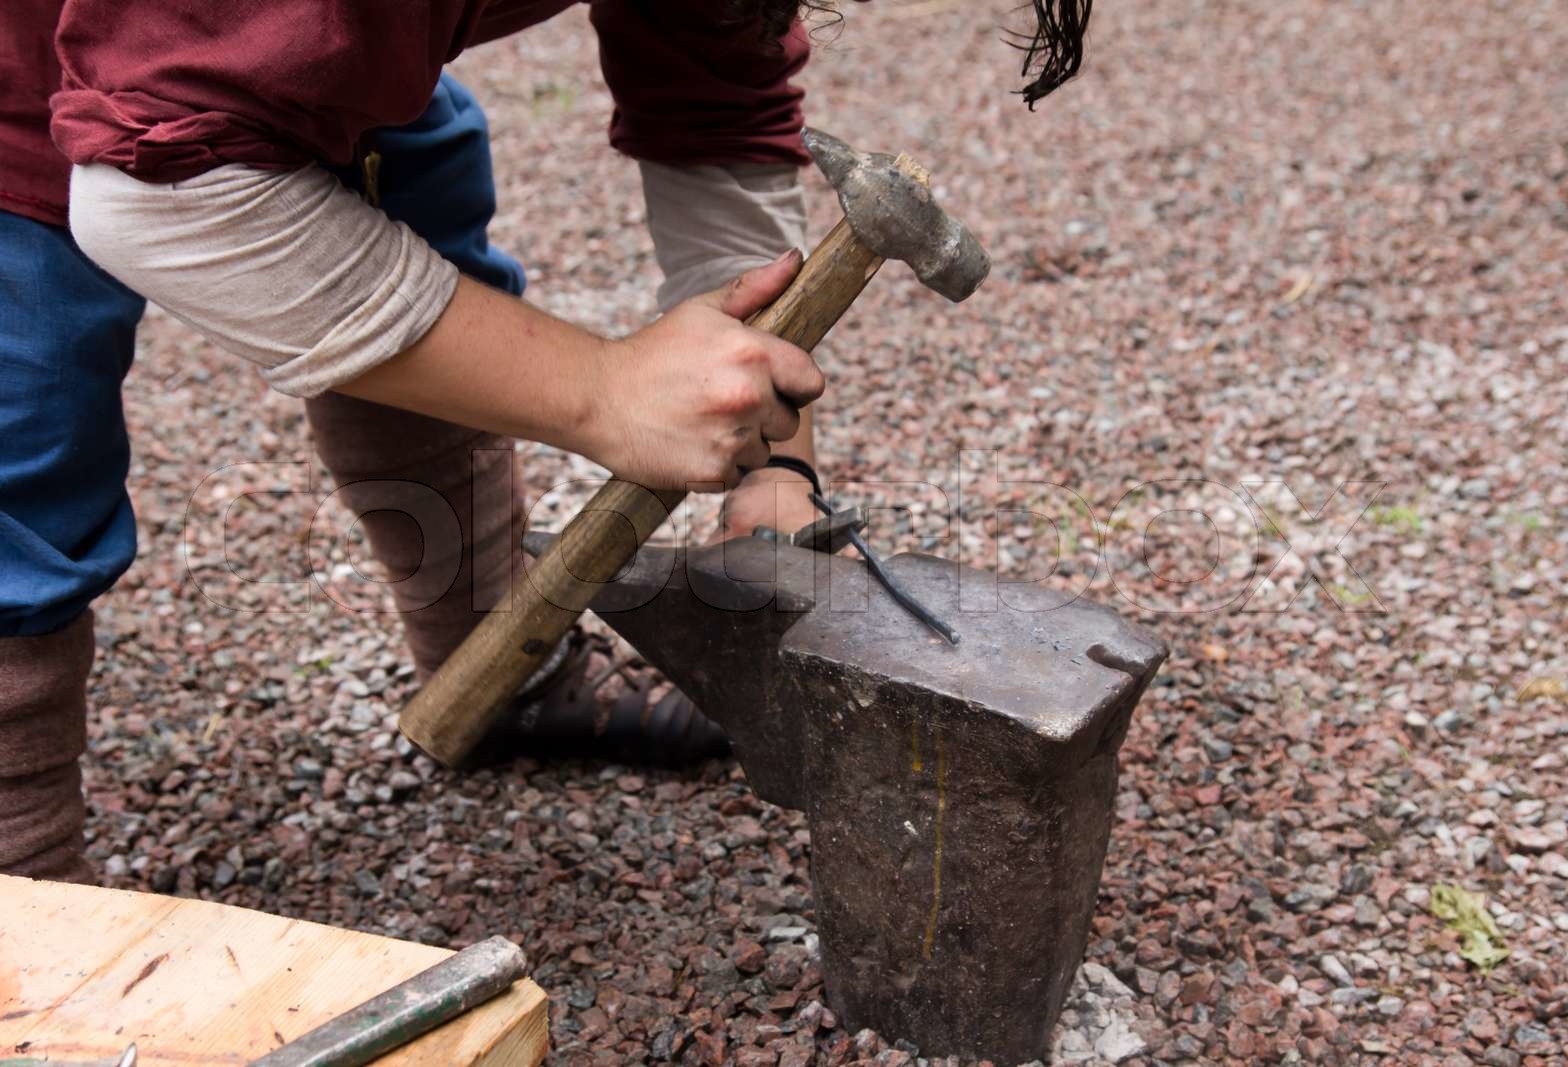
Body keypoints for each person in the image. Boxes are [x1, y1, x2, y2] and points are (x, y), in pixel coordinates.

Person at [1, 0, 1089, 882]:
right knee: (24, 436)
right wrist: (595, 389)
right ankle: (28, 882)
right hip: (34, 83)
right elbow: (162, 194)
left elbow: (713, 116)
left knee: (415, 210)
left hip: (279, 56)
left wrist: (779, 469)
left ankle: (501, 670)